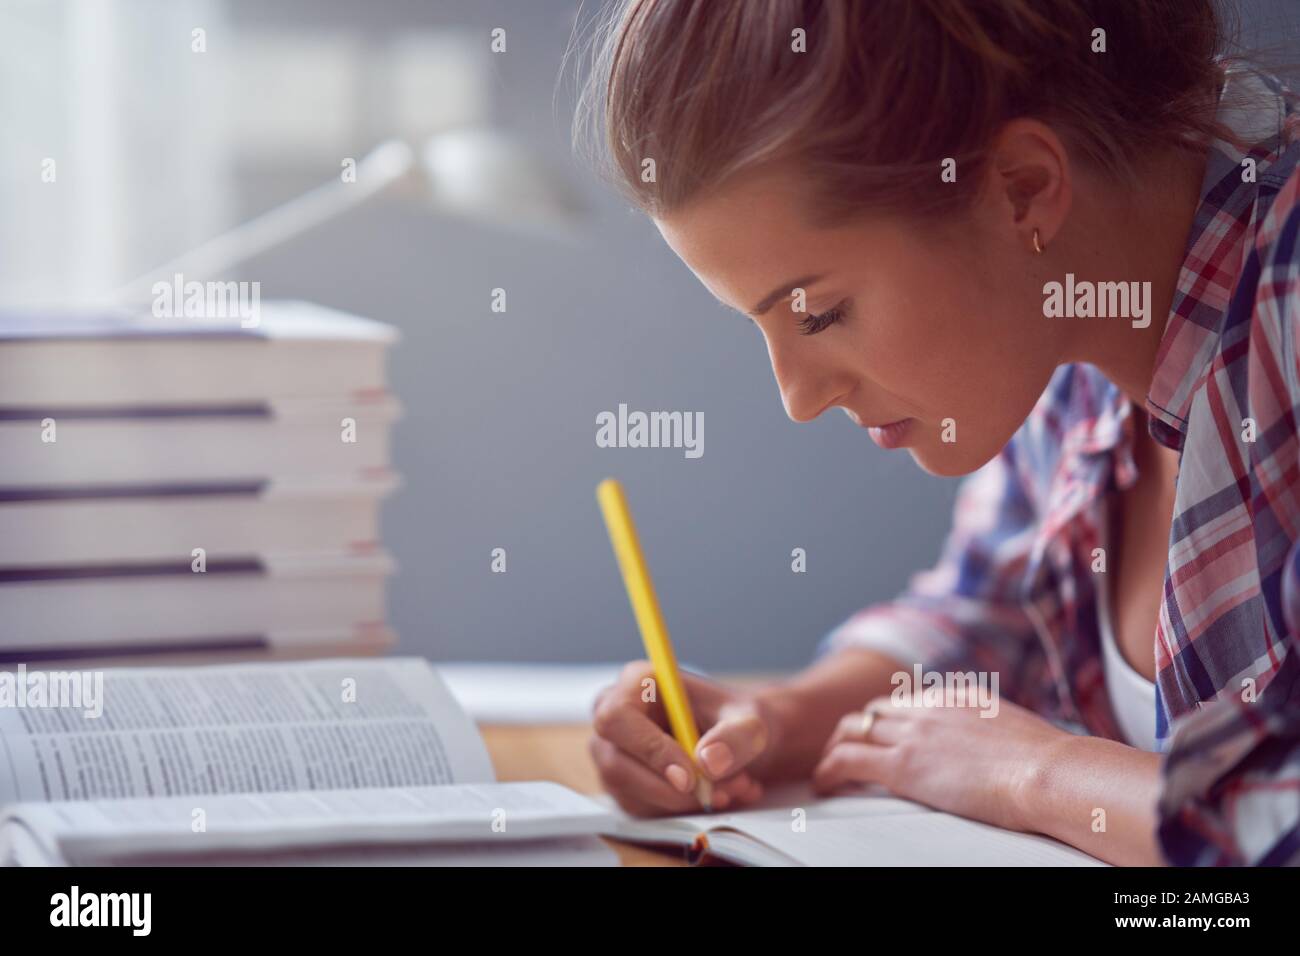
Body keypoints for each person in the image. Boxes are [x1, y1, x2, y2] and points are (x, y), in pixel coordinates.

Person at [575, 0, 1300, 865]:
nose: (798, 399)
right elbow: (985, 621)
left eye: (822, 313)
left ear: (1023, 188)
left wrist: (1040, 773)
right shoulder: (1069, 322)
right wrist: (775, 722)